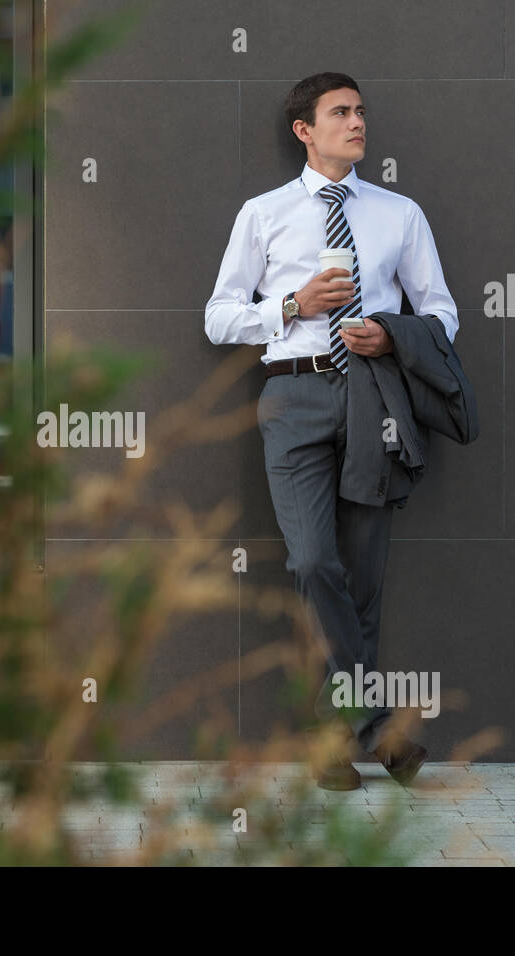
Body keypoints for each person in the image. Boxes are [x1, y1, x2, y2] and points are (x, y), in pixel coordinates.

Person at [204, 72, 459, 790]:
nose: (357, 123)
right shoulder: (263, 214)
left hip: (374, 395)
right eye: (340, 113)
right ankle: (376, 727)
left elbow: (442, 311)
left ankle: (329, 743)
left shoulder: (399, 214)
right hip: (292, 395)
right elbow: (219, 316)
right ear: (304, 131)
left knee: (364, 579)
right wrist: (291, 303)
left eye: (361, 112)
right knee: (315, 564)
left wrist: (392, 336)